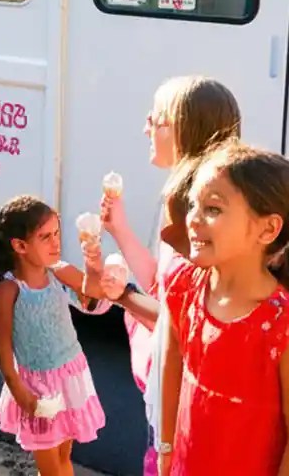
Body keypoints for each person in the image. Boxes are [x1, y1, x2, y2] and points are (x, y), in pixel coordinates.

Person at [156, 142, 289, 476]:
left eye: (214, 209)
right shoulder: (184, 287)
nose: (193, 218)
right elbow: (171, 364)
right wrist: (165, 450)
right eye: (194, 204)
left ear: (267, 229)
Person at [99, 76, 241, 476]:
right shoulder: (188, 195)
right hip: (174, 388)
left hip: (183, 393)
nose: (146, 127)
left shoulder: (190, 207)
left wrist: (121, 295)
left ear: (185, 127)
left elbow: (181, 321)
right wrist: (120, 229)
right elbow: (167, 289)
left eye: (156, 119)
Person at [0, 195, 110, 476]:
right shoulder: (7, 291)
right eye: (45, 237)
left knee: (62, 459)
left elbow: (94, 294)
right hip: (38, 389)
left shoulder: (59, 272)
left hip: (70, 376)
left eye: (57, 233)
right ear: (20, 245)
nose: (56, 242)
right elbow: (4, 354)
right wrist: (26, 400)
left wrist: (93, 256)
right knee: (51, 470)